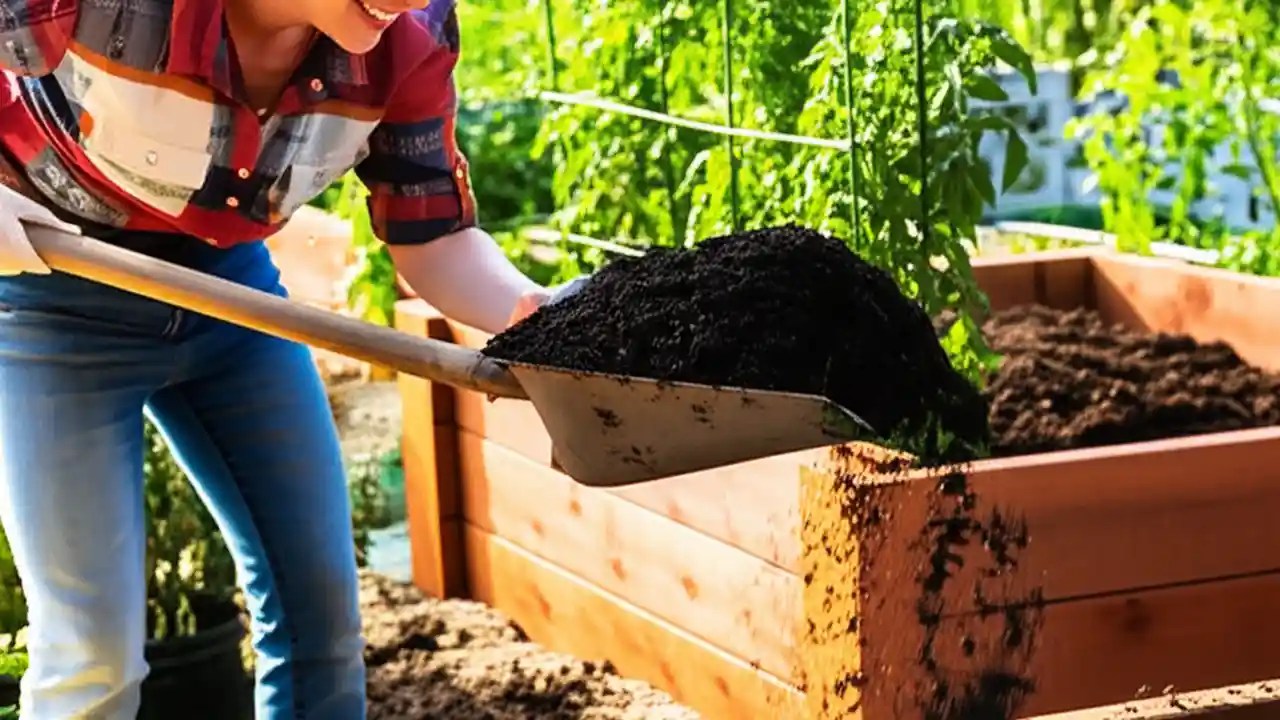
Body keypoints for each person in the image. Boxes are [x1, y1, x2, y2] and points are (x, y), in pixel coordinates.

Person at [0, 0, 571, 717]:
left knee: (320, 622)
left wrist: (538, 315)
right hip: (50, 301)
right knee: (91, 658)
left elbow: (435, 238)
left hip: (230, 295)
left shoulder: (410, 36)